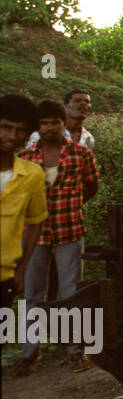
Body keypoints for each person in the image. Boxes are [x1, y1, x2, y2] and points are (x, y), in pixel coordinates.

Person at [9, 99, 99, 376]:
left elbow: (91, 186)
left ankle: (75, 352)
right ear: (38, 126)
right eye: (44, 123)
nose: (49, 128)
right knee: (32, 293)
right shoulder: (24, 158)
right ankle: (29, 354)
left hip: (69, 230)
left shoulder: (80, 154)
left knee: (72, 292)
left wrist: (69, 207)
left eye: (55, 123)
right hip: (35, 235)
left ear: (63, 124)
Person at [0, 93, 47, 326]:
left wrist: (21, 271)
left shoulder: (32, 174)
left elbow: (36, 222)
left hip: (4, 278)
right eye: (5, 127)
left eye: (20, 130)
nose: (11, 136)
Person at [27, 88, 94, 151]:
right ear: (65, 106)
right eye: (77, 101)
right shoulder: (44, 133)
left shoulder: (88, 138)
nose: (83, 104)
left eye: (87, 101)